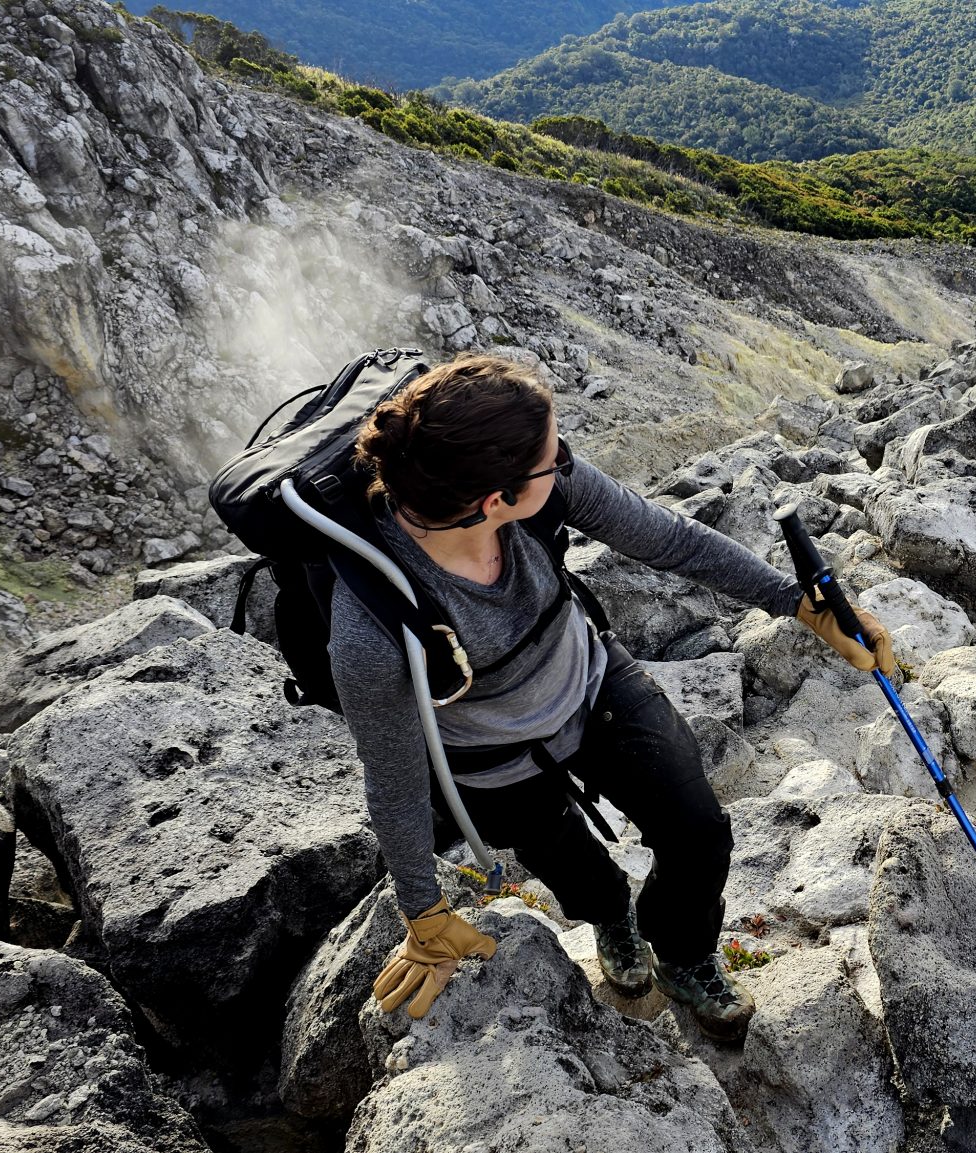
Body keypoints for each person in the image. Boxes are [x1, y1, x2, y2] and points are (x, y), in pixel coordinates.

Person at [338, 354, 897, 1041]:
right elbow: (392, 777)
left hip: (592, 678)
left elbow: (674, 541)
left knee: (697, 831)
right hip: (494, 762)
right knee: (581, 878)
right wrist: (421, 912)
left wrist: (797, 603)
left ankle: (685, 954)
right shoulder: (370, 622)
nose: (566, 462)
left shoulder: (552, 486)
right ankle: (611, 916)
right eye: (551, 458)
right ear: (494, 502)